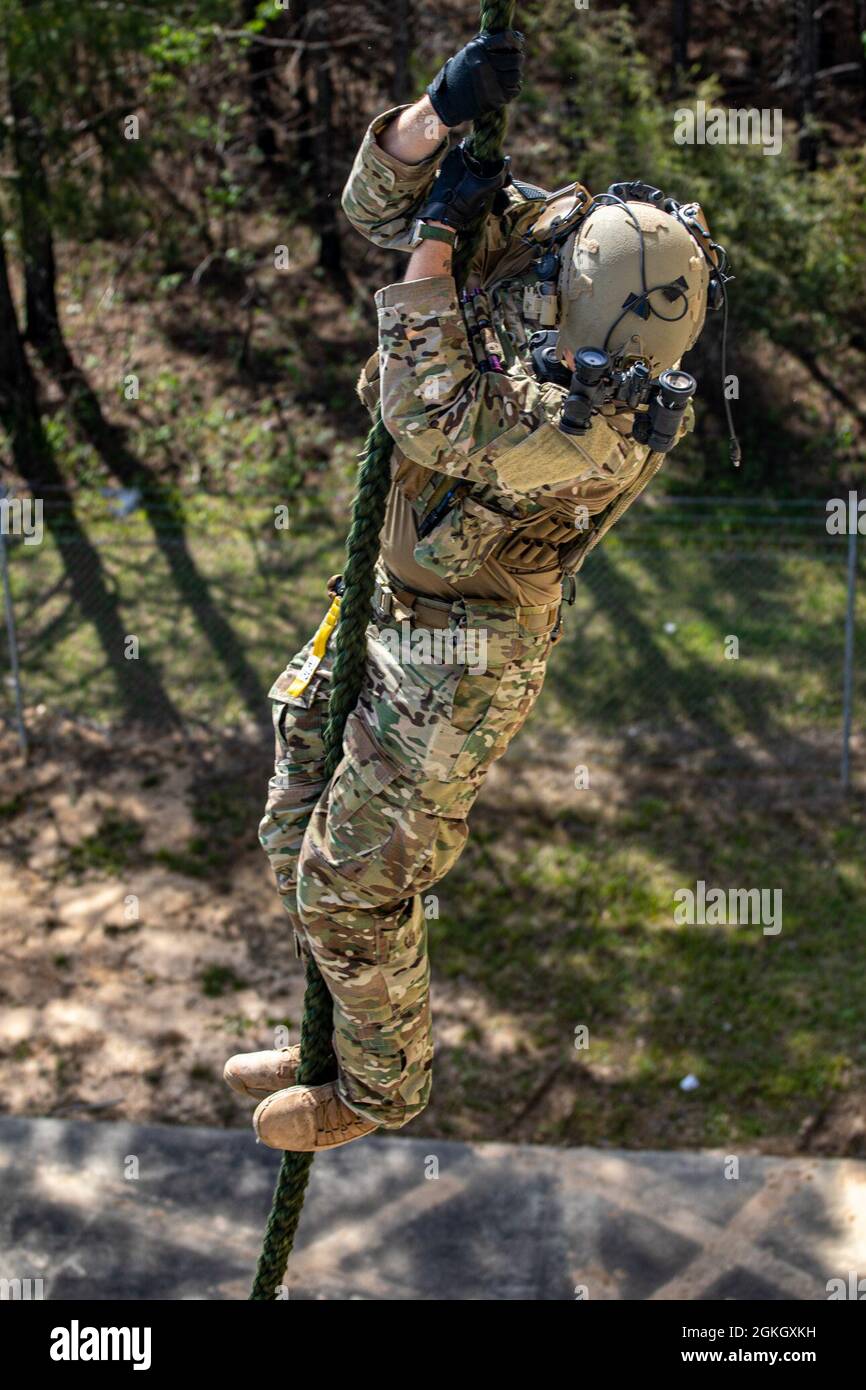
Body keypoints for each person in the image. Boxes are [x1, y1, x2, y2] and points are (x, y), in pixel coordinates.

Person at [224, 30, 721, 1151]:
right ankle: (340, 1032)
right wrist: (434, 119)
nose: (586, 365)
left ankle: (377, 1093)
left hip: (461, 653)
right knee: (292, 814)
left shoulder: (603, 429)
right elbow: (370, 205)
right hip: (389, 582)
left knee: (349, 883)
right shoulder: (563, 245)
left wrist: (444, 234)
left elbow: (429, 410)